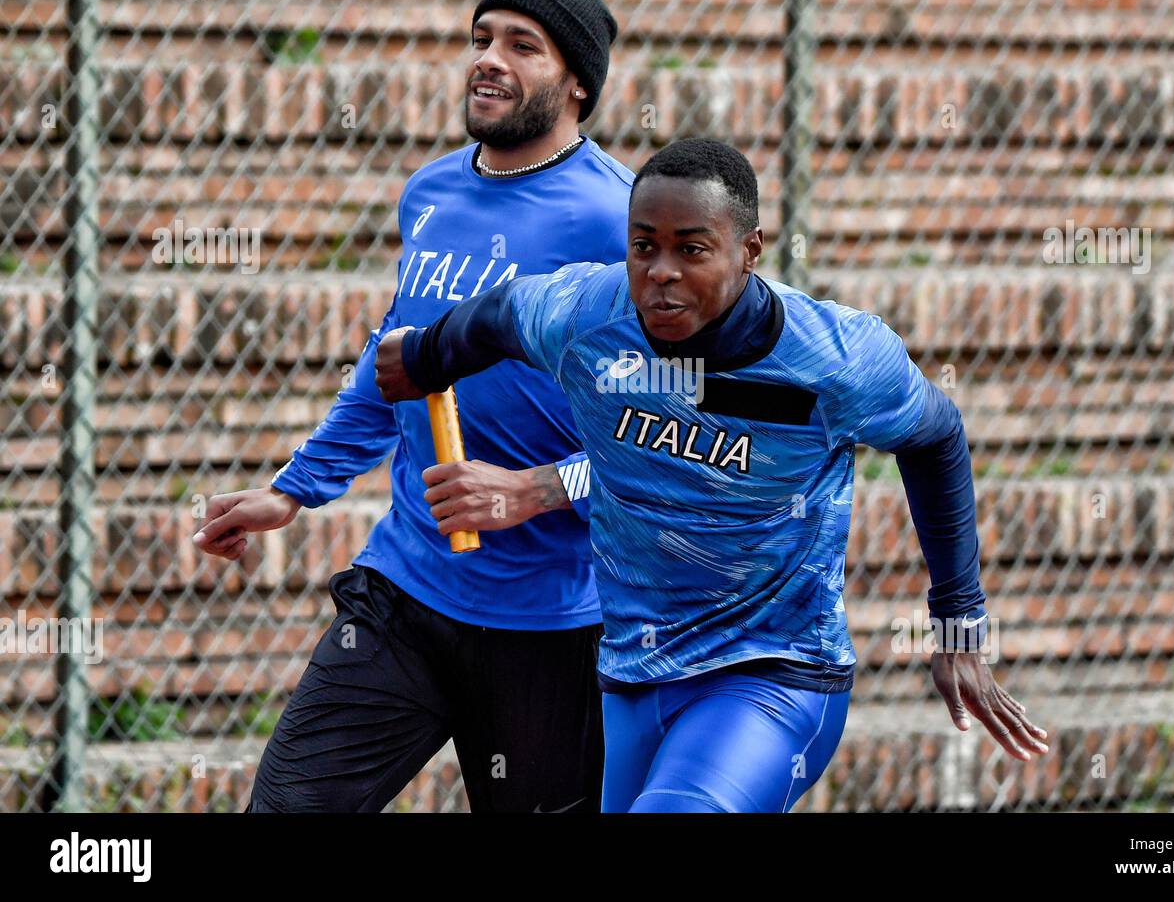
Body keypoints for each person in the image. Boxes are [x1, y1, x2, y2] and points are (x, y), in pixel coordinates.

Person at [375, 137, 1051, 812]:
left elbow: (937, 436)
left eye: (691, 250)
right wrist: (427, 356)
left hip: (773, 676)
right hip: (632, 675)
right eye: (644, 247)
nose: (660, 272)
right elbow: (496, 317)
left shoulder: (833, 359)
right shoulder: (586, 315)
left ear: (749, 252)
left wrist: (958, 626)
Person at [191, 0, 634, 813]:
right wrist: (295, 489)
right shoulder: (430, 193)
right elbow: (392, 362)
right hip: (406, 592)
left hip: (552, 623)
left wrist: (532, 492)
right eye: (480, 39)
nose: (487, 61)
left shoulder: (617, 221)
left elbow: (672, 433)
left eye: (520, 46)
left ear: (579, 82)